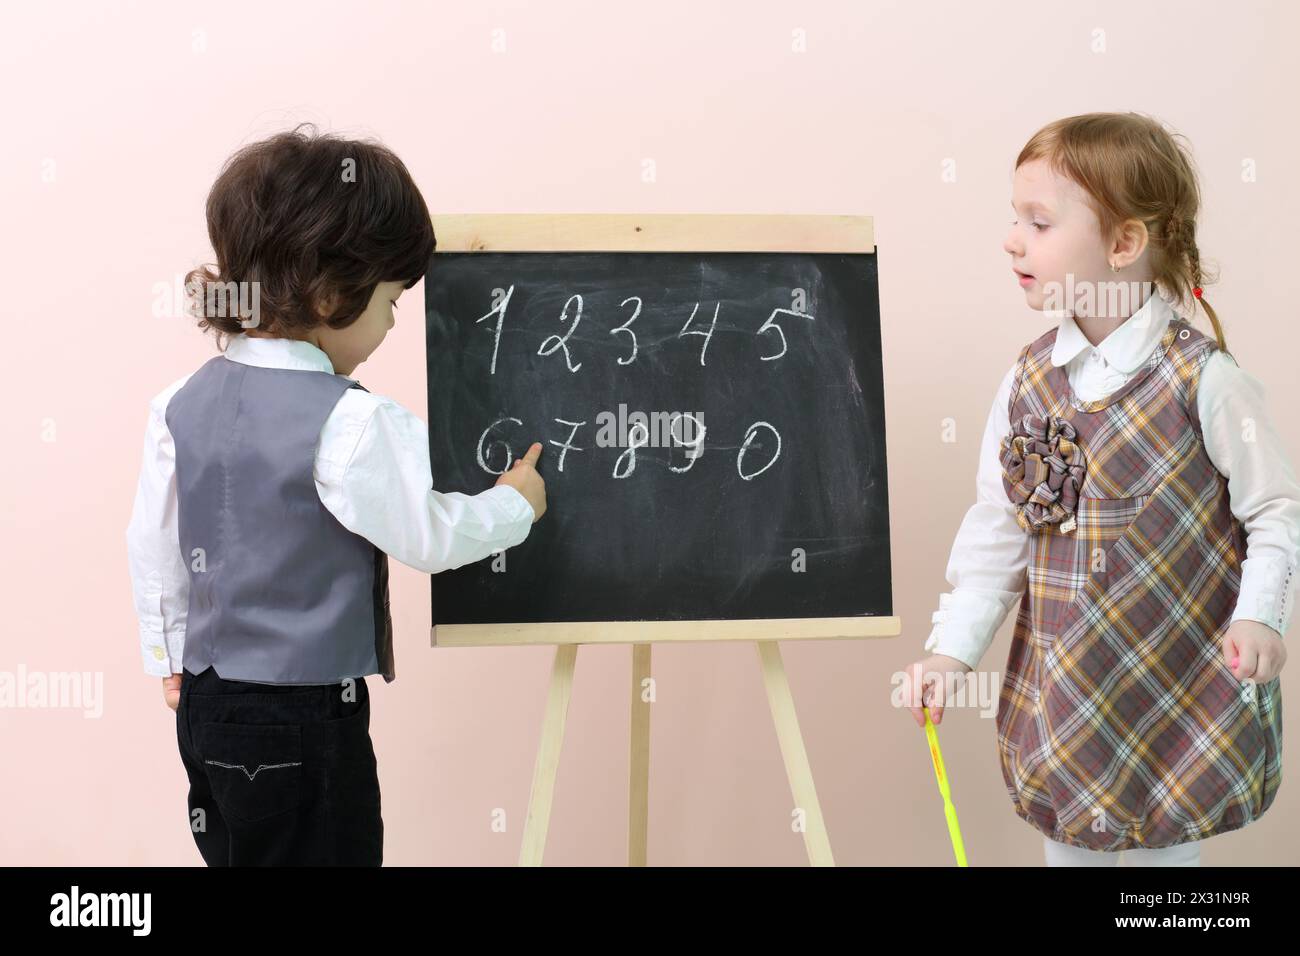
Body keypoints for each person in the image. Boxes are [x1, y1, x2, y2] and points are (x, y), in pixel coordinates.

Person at [125, 124, 547, 865]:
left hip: (207, 703)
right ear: (328, 296)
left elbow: (154, 545)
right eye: (390, 302)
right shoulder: (350, 419)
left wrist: (168, 656)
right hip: (303, 716)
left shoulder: (179, 401)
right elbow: (429, 536)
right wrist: (516, 504)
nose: (391, 321)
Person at [900, 112, 1297, 866]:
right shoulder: (1027, 382)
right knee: (1071, 850)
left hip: (1178, 695)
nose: (1013, 239)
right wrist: (952, 653)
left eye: (1040, 222)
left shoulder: (1204, 381)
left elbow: (1274, 510)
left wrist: (1262, 618)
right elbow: (999, 528)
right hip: (1068, 697)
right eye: (1015, 218)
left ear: (1123, 244)